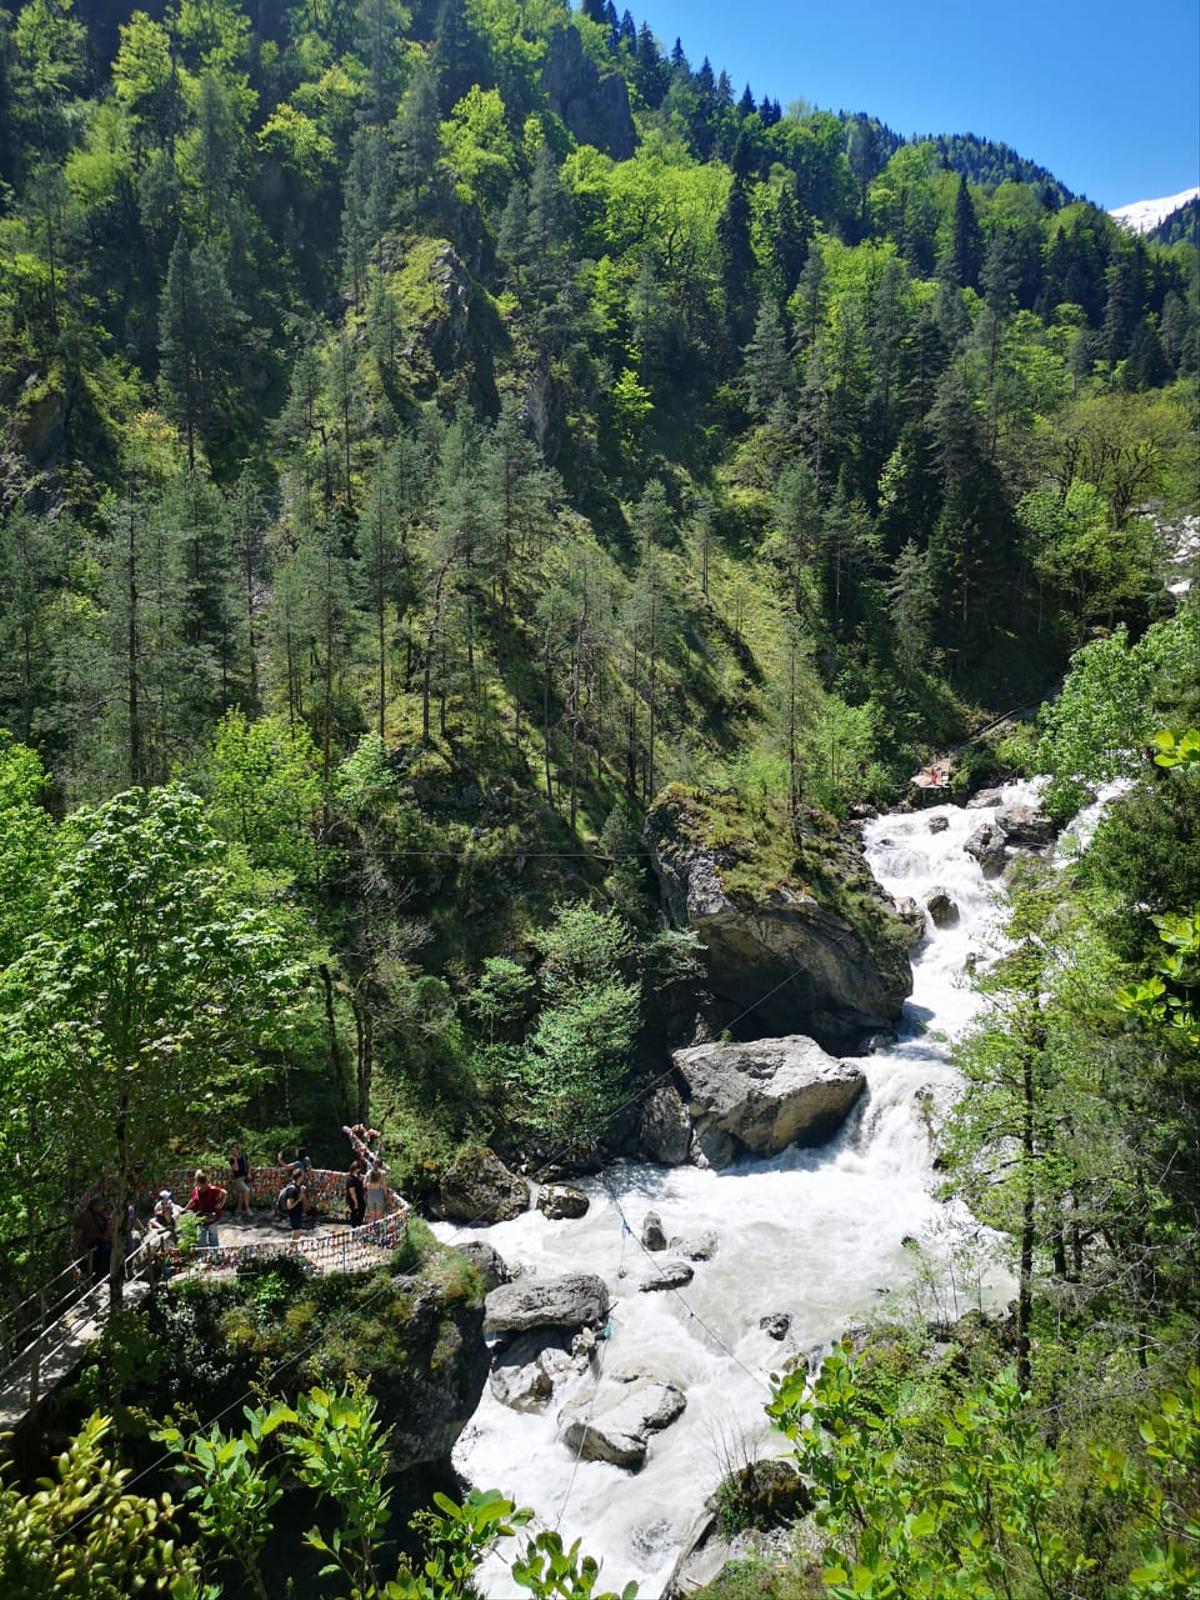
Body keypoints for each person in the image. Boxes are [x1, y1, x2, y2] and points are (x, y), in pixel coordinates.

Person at [184, 1169, 227, 1249]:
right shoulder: (196, 1191)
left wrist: (221, 1205)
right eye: (201, 1184)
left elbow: (224, 1192)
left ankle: (215, 1255)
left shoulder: (213, 1190)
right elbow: (193, 1201)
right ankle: (202, 1254)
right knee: (201, 1238)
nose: (203, 1186)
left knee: (213, 1237)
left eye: (204, 1184)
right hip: (200, 1218)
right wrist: (185, 1209)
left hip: (212, 1217)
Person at [76, 1196, 111, 1284]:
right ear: (93, 1205)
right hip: (91, 1243)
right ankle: (96, 1280)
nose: (101, 1207)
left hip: (103, 1242)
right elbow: (80, 1231)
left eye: (102, 1205)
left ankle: (104, 1276)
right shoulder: (86, 1215)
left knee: (106, 1256)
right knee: (96, 1260)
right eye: (99, 1205)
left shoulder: (102, 1215)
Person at [280, 1166, 306, 1241]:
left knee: (297, 1234)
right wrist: (299, 1200)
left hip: (297, 1213)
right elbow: (289, 1206)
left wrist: (302, 1192)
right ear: (300, 1176)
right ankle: (290, 1251)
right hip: (294, 1214)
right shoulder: (292, 1190)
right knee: (296, 1234)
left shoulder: (298, 1187)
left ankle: (291, 1251)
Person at [229, 1145, 252, 1216]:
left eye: (234, 1150)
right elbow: (236, 1169)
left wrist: (249, 1173)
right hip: (238, 1179)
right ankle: (248, 1209)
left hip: (245, 1177)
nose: (233, 1152)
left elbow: (249, 1165)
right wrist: (235, 1159)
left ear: (238, 1150)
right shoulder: (231, 1159)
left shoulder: (244, 1156)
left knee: (242, 1194)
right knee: (246, 1190)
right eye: (232, 1150)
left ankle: (238, 1210)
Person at [345, 1161, 366, 1228]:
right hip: (354, 1199)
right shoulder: (350, 1179)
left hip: (360, 1197)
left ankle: (359, 1226)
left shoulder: (358, 1176)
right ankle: (354, 1228)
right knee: (354, 1214)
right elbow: (352, 1192)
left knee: (362, 1211)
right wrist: (356, 1203)